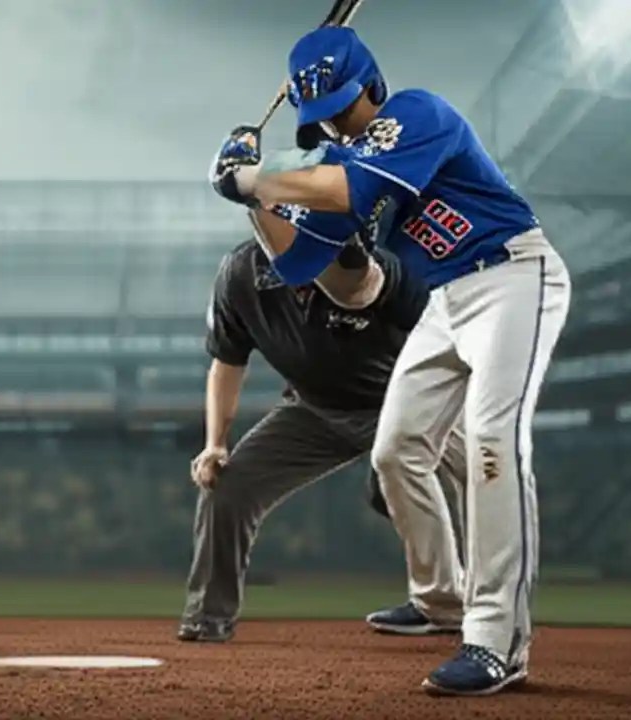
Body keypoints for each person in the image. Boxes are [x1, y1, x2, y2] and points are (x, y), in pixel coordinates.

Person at [210, 26, 572, 696]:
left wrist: (257, 177)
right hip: (447, 299)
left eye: (344, 108)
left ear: (371, 86)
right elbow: (304, 263)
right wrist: (252, 202)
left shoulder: (417, 113)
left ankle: (498, 643)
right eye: (323, 119)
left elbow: (344, 191)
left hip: (514, 276)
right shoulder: (340, 169)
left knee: (493, 441)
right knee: (397, 447)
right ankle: (439, 599)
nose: (338, 124)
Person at [179, 229, 467, 644]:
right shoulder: (240, 274)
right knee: (227, 487)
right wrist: (215, 444)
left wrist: (435, 417)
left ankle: (457, 605)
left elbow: (449, 340)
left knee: (454, 477)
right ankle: (207, 617)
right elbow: (227, 360)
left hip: (400, 404)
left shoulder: (383, 268)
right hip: (312, 410)